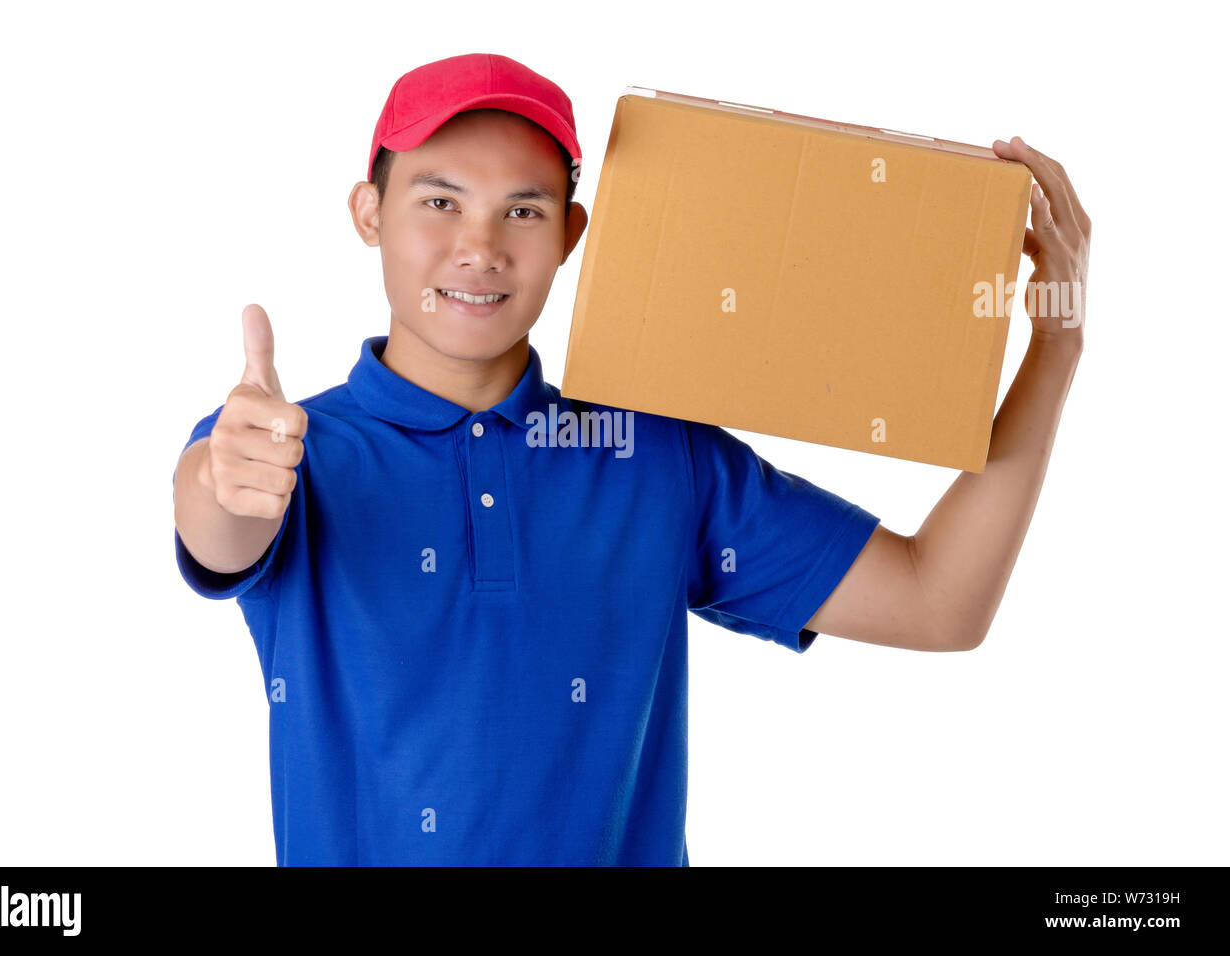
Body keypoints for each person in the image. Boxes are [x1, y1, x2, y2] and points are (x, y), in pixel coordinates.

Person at [172, 53, 1089, 866]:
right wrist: (224, 480)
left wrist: (1056, 346)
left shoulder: (653, 454)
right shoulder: (285, 449)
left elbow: (938, 600)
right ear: (369, 212)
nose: (480, 248)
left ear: (572, 236)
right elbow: (220, 526)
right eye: (439, 201)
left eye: (521, 210)